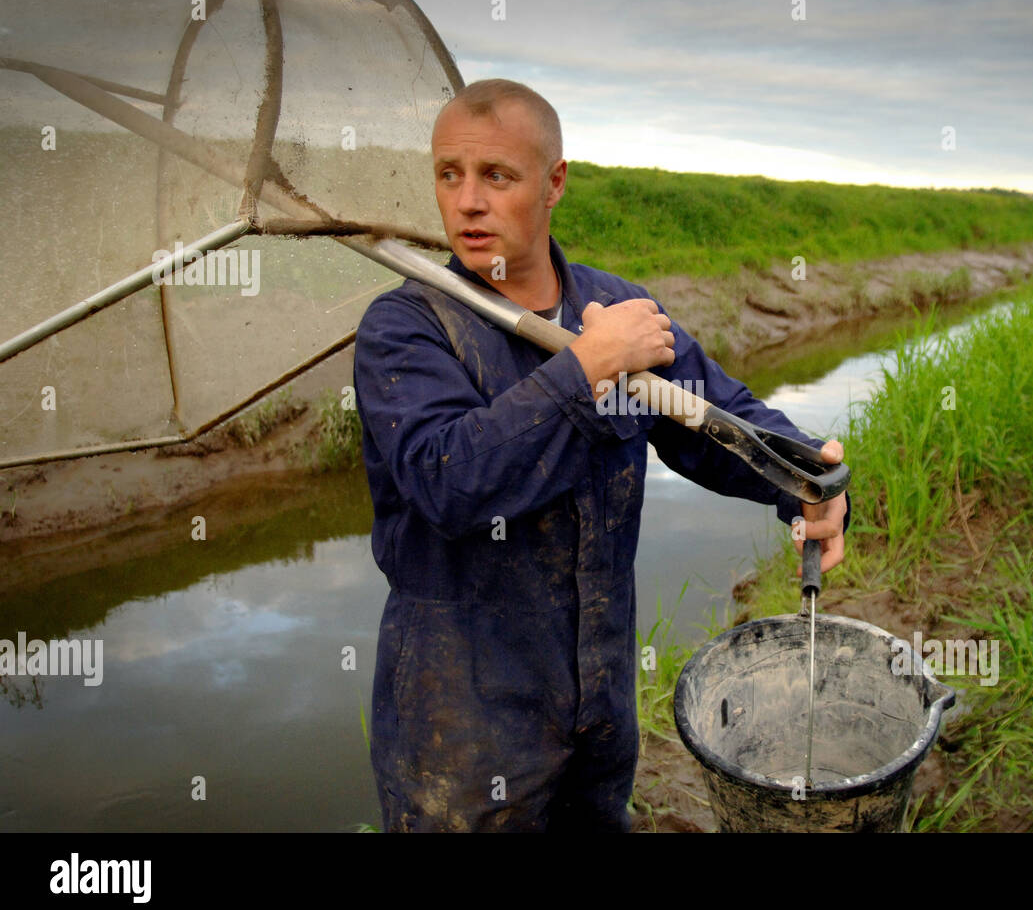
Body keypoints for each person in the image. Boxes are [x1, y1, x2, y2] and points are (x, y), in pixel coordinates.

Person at [353, 78, 849, 832]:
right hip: (461, 733)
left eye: (496, 176)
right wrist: (584, 370)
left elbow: (716, 420)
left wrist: (808, 477)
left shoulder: (616, 309)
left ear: (554, 183)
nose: (467, 202)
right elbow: (447, 481)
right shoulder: (406, 328)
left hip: (599, 718)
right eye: (448, 174)